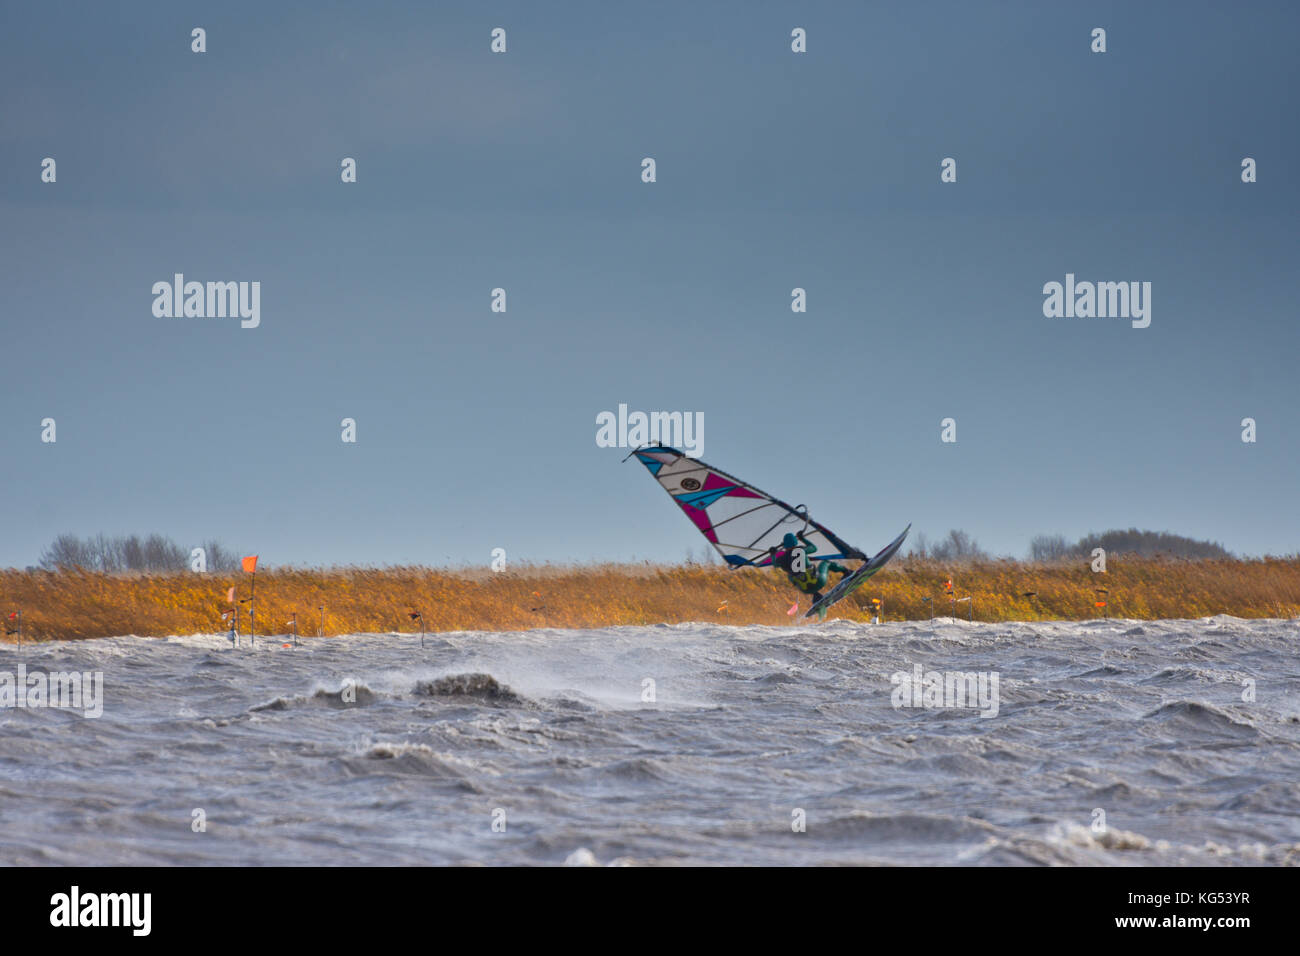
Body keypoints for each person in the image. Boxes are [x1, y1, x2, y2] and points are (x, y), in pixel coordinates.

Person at [768, 532, 853, 604]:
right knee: (826, 563)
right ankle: (847, 572)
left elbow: (775, 564)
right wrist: (802, 538)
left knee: (791, 576)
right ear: (795, 542)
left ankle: (816, 595)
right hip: (819, 581)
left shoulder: (781, 559)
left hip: (805, 590)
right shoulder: (801, 550)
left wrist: (773, 554)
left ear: (785, 546)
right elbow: (814, 548)